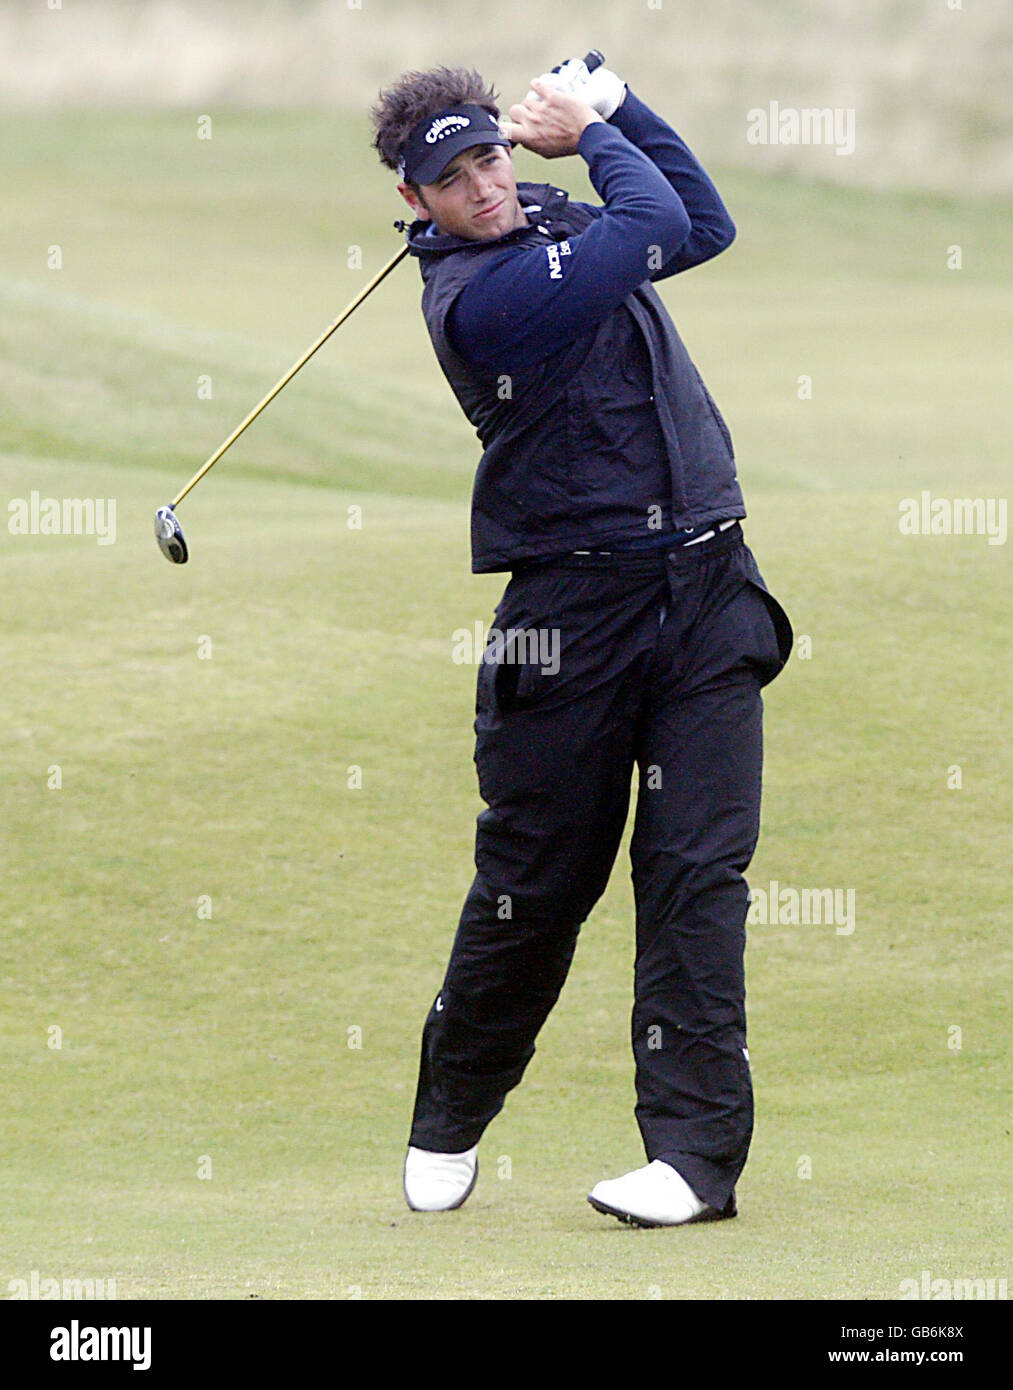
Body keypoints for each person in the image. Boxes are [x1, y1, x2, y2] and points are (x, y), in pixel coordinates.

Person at [369, 57, 793, 1227]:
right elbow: (648, 214)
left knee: (695, 879)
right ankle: (449, 1115)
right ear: (415, 205)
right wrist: (590, 126)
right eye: (452, 180)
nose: (486, 187)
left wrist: (620, 113)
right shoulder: (479, 302)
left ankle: (693, 1163)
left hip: (707, 588)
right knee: (535, 885)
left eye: (490, 156)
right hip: (572, 618)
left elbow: (698, 223)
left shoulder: (543, 216)